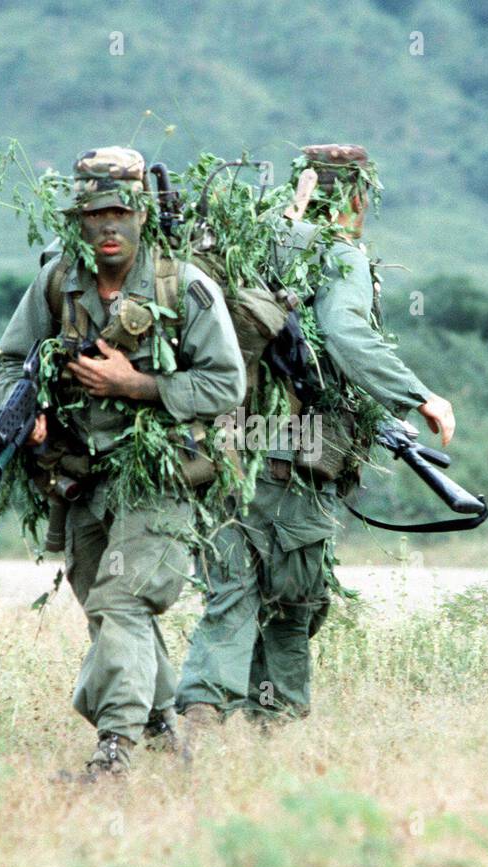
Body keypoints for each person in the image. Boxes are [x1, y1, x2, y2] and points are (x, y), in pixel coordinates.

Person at [175, 143, 455, 725]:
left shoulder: (244, 248)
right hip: (289, 470)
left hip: (217, 457)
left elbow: (309, 361)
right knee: (294, 609)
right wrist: (420, 397)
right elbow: (345, 338)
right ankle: (274, 736)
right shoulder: (337, 253)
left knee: (228, 602)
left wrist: (381, 422)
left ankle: (198, 732)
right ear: (356, 196)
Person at [0, 146, 245, 776]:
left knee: (122, 603)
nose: (107, 227)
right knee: (104, 612)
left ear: (142, 215)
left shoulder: (184, 286)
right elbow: (8, 359)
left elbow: (225, 386)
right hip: (79, 476)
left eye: (119, 212)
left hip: (160, 474)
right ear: (77, 220)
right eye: (93, 214)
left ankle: (115, 756)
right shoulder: (56, 281)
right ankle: (163, 733)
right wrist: (27, 414)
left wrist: (136, 386)